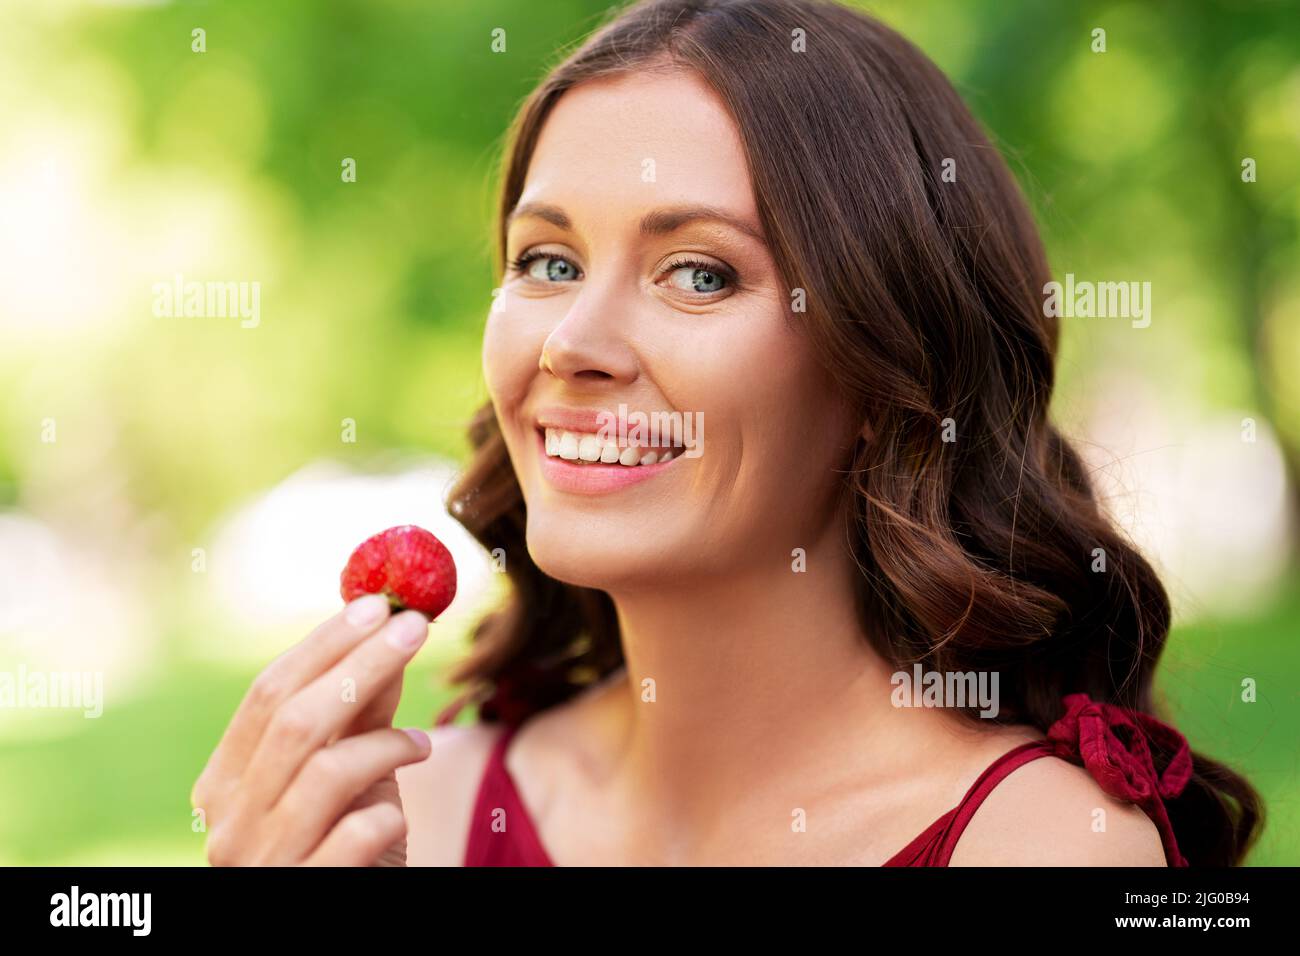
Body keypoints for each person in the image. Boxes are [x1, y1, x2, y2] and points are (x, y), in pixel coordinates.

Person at [192, 0, 1262, 867]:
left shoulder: (1040, 847)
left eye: (698, 273)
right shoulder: (402, 815)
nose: (572, 339)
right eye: (547, 261)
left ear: (887, 367)